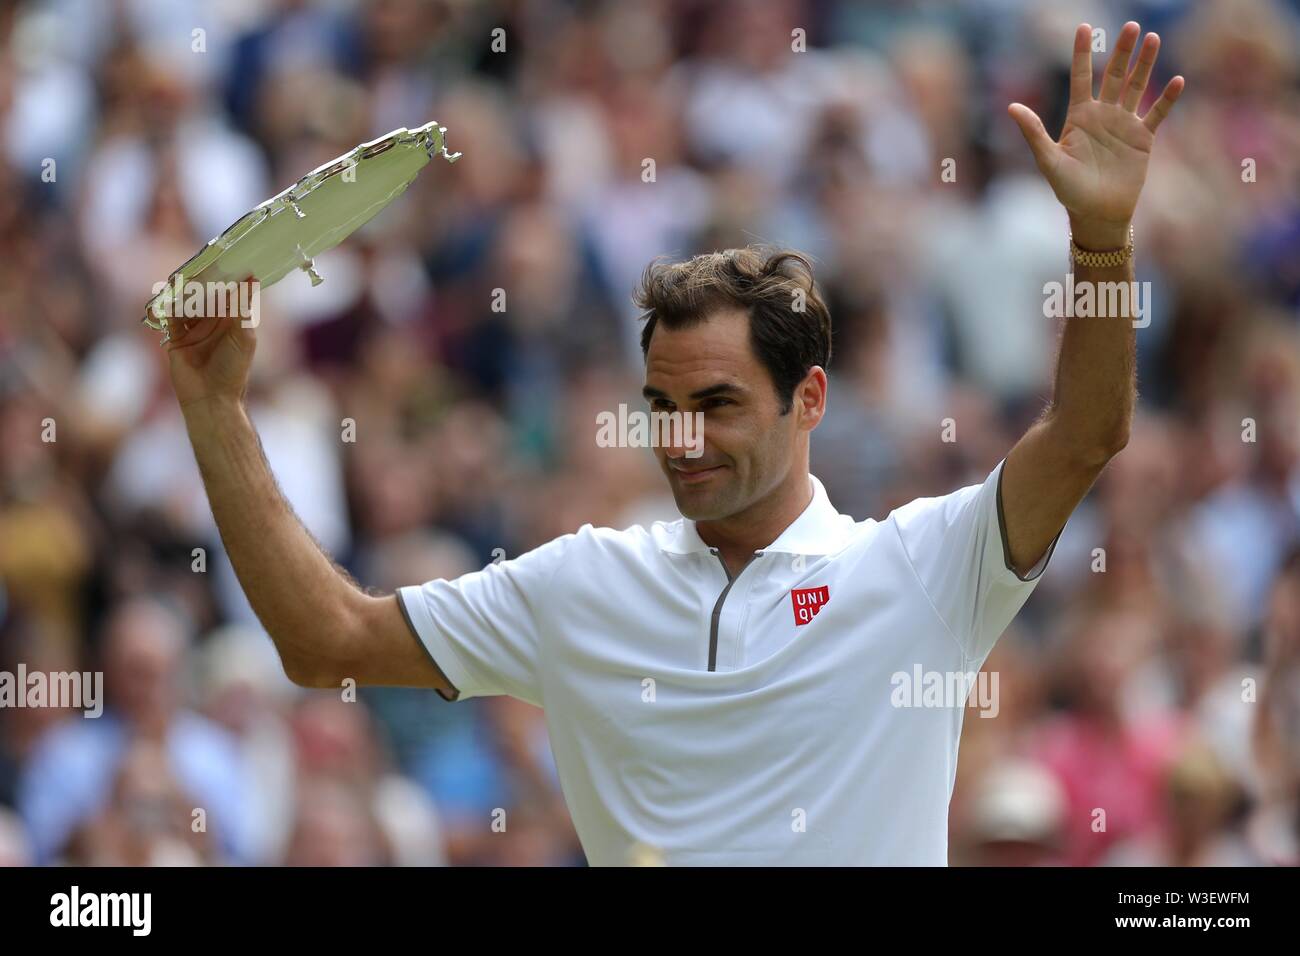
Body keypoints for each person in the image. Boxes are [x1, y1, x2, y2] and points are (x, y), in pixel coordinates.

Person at [158, 22, 1183, 865]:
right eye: (661, 403)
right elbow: (326, 638)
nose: (680, 439)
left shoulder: (922, 565)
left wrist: (1099, 243)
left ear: (809, 398)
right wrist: (215, 407)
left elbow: (1088, 430)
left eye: (720, 404)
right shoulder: (580, 583)